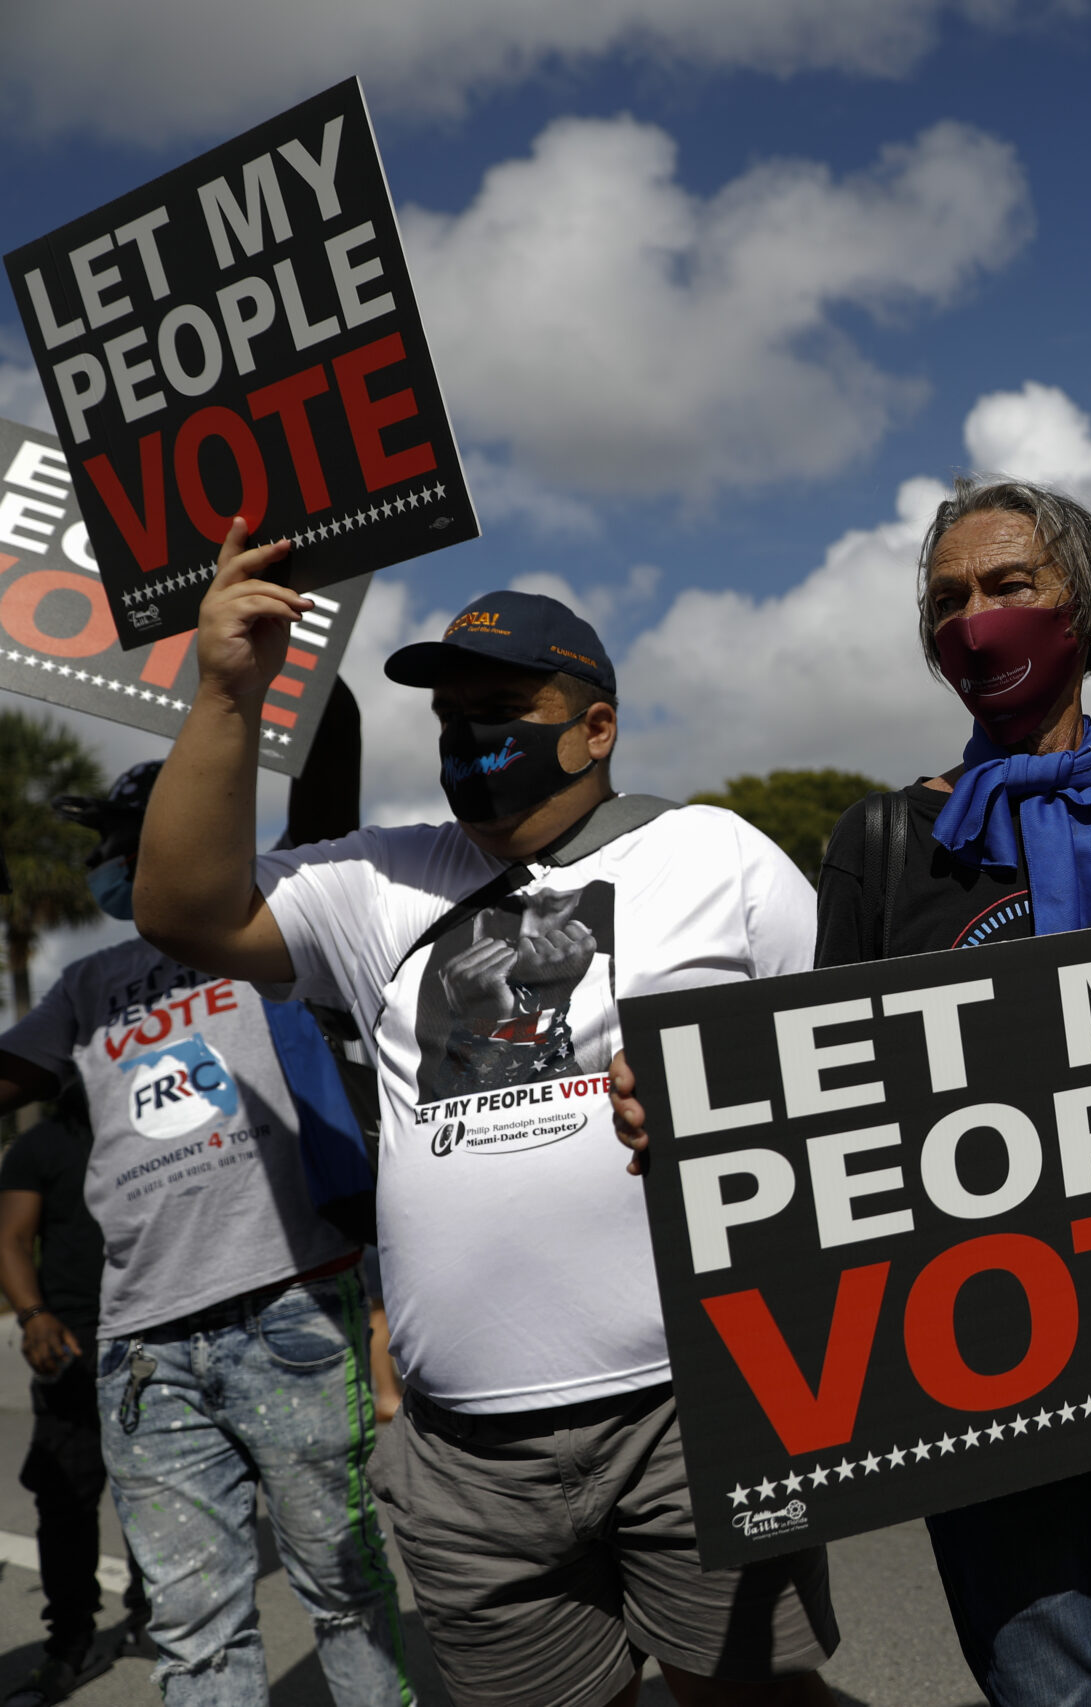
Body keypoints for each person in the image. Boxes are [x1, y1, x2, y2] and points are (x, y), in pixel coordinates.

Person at [616, 475, 1091, 1707]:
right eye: (945, 599)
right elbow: (813, 1104)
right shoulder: (878, 845)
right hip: (977, 1367)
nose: (974, 618)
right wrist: (695, 1117)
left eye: (1008, 585)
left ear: (1086, 606)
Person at [135, 558, 837, 1707]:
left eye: (501, 713)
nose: (467, 740)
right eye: (451, 718)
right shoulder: (380, 879)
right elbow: (183, 910)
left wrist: (724, 1104)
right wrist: (225, 694)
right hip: (469, 1465)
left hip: (695, 1413)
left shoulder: (721, 858)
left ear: (594, 726)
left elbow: (835, 1085)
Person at [0, 761, 410, 1707]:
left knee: (343, 1589)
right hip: (142, 1340)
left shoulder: (273, 929)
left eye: (117, 843)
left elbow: (323, 792)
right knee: (194, 1631)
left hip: (292, 1303)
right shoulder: (85, 986)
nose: (105, 867)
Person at [0, 1100, 149, 1706]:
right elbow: (10, 1237)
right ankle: (70, 1641)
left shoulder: (154, 1123)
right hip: (72, 1343)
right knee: (65, 1499)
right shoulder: (43, 1145)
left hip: (157, 1336)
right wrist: (33, 1315)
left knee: (161, 1491)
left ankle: (157, 1615)